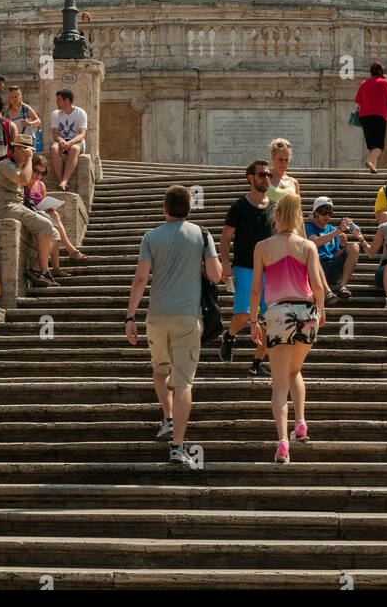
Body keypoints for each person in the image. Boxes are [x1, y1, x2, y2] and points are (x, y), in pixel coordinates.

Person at [125, 183, 222, 464]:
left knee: (159, 370)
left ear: (164, 209)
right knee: (183, 383)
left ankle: (167, 417)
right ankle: (177, 447)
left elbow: (141, 278)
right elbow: (215, 275)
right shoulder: (202, 234)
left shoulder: (150, 236)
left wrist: (131, 316)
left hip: (156, 316)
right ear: (190, 210)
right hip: (189, 316)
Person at [250, 192, 325, 463]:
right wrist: (321, 309)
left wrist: (254, 320)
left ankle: (283, 442)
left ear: (276, 216)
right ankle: (301, 423)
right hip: (306, 311)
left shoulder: (263, 247)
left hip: (278, 312)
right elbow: (317, 285)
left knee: (279, 383)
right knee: (295, 370)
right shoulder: (308, 247)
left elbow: (256, 287)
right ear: (298, 218)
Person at [218, 159, 273, 375]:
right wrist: (225, 263)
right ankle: (229, 336)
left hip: (269, 272)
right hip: (244, 268)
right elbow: (225, 238)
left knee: (270, 320)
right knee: (243, 314)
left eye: (268, 174)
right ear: (251, 178)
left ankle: (257, 364)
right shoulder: (239, 206)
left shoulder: (274, 208)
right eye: (262, 174)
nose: (266, 178)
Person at [0, 133, 60, 286]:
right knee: (46, 226)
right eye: (27, 151)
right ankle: (45, 272)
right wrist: (28, 160)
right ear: (17, 150)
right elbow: (24, 180)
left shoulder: (17, 167)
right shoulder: (5, 166)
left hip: (17, 207)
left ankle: (35, 269)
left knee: (54, 232)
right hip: (5, 208)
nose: (29, 155)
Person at [26, 155, 89, 263]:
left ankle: (57, 267)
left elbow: (43, 203)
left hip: (40, 213)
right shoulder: (24, 182)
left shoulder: (42, 185)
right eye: (36, 171)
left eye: (42, 173)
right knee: (54, 226)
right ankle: (71, 250)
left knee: (54, 217)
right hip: (29, 214)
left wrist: (49, 208)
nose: (38, 175)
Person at [304, 196, 367, 300]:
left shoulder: (332, 229)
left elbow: (334, 254)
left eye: (329, 213)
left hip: (331, 267)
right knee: (315, 254)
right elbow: (314, 242)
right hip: (314, 268)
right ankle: (327, 291)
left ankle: (342, 286)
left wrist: (342, 246)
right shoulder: (307, 227)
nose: (327, 216)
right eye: (323, 212)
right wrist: (338, 230)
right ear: (315, 213)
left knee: (354, 246)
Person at [354, 62, 387, 173]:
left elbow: (357, 100)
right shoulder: (384, 83)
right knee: (379, 146)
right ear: (382, 73)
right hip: (379, 116)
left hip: (364, 117)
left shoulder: (364, 83)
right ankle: (369, 161)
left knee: (371, 146)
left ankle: (371, 166)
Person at [49, 88, 88, 191]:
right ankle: (61, 181)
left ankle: (65, 181)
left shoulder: (81, 113)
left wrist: (70, 142)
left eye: (59, 99)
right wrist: (61, 140)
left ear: (67, 101)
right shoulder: (55, 114)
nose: (56, 102)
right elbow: (55, 133)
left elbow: (82, 134)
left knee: (74, 149)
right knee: (54, 148)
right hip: (62, 141)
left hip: (76, 142)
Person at [267, 137, 300, 208]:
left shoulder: (294, 183)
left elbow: (298, 212)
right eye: (280, 159)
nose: (283, 163)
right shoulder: (265, 180)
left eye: (286, 160)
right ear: (272, 157)